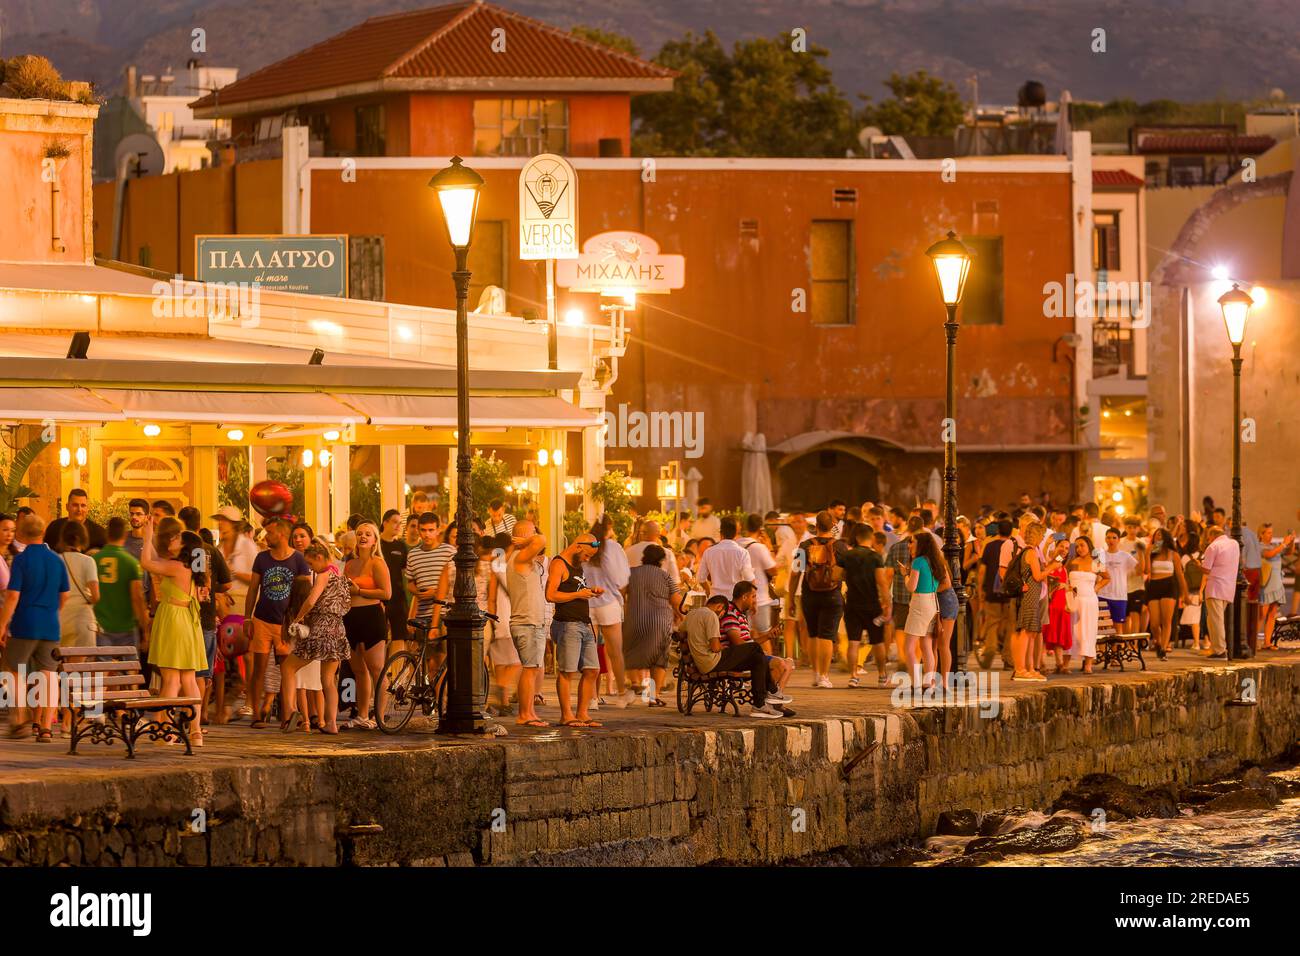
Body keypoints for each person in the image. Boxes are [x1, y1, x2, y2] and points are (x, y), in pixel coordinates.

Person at [139, 515, 207, 746]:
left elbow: (147, 564)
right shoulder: (191, 568)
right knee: (188, 678)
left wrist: (147, 538)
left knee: (170, 679)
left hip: (174, 620)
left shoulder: (176, 567)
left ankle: (165, 731)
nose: (172, 539)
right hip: (188, 621)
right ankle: (195, 732)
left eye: (177, 538)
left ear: (185, 546)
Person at [0, 514, 69, 741]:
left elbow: (12, 596)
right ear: (43, 533)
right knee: (49, 674)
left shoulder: (21, 560)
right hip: (50, 624)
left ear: (20, 533)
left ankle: (19, 721)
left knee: (12, 670)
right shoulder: (57, 560)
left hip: (24, 623)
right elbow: (65, 594)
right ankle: (46, 727)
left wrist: (2, 625)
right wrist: (54, 612)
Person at [243, 517, 311, 727]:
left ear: (281, 534)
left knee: (286, 670)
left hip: (285, 623)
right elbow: (253, 588)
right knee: (259, 669)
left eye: (270, 533)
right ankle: (256, 714)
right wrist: (247, 617)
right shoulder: (262, 558)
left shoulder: (298, 559)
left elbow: (304, 591)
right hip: (262, 618)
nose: (266, 537)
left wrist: (300, 619)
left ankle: (286, 715)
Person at [282, 541, 351, 734]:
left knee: (288, 667)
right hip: (338, 629)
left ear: (319, 558)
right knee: (328, 681)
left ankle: (290, 712)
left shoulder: (323, 575)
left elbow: (311, 600)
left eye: (311, 564)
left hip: (320, 630)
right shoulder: (340, 575)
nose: (311, 568)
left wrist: (298, 617)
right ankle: (332, 723)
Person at [687, 598, 783, 718]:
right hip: (712, 661)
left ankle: (759, 704)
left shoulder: (691, 614)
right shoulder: (711, 615)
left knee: (758, 659)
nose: (721, 617)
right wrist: (725, 649)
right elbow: (716, 648)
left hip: (703, 663)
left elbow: (680, 632)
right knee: (754, 647)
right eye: (723, 613)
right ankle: (772, 690)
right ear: (719, 607)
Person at [546, 532, 604, 728]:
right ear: (579, 546)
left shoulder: (578, 566)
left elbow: (575, 590)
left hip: (584, 623)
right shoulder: (559, 564)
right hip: (567, 624)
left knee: (592, 670)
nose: (587, 560)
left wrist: (591, 591)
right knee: (567, 671)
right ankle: (566, 715)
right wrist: (578, 594)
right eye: (587, 555)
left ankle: (582, 713)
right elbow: (550, 595)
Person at [341, 520, 391, 730]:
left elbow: (386, 593)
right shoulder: (350, 564)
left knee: (376, 669)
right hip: (351, 616)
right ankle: (362, 714)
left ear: (374, 540)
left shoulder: (377, 562)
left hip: (371, 615)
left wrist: (360, 591)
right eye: (359, 533)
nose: (363, 537)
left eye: (367, 534)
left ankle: (378, 716)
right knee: (358, 669)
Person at [584, 515, 635, 709]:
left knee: (590, 652)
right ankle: (622, 694)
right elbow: (622, 578)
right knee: (615, 653)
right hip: (609, 602)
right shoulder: (613, 547)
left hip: (588, 602)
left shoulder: (586, 544)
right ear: (610, 527)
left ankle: (591, 698)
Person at [718, 581, 794, 705]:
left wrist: (768, 636)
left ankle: (773, 701)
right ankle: (767, 701)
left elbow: (749, 644)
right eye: (753, 597)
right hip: (735, 658)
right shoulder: (731, 613)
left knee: (789, 663)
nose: (755, 601)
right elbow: (739, 644)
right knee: (779, 664)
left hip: (748, 654)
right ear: (744, 597)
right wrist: (758, 649)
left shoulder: (741, 614)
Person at [790, 511, 842, 689]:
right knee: (826, 636)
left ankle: (815, 673)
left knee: (813, 634)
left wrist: (790, 598)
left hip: (809, 594)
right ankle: (824, 677)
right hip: (833, 594)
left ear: (816, 527)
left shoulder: (804, 545)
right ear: (833, 526)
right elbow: (846, 572)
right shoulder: (840, 546)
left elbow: (795, 573)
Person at [622, 544, 679, 707]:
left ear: (644, 557)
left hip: (635, 619)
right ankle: (653, 696)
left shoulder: (630, 574)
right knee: (659, 659)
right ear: (661, 560)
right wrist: (682, 615)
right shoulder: (666, 577)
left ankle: (634, 685)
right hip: (659, 622)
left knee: (632, 652)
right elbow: (676, 602)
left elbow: (620, 594)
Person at [505, 520, 549, 727]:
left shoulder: (523, 558)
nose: (536, 535)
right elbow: (542, 539)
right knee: (529, 669)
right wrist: (527, 539)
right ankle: (524, 713)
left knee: (532, 668)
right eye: (532, 532)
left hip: (533, 621)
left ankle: (529, 711)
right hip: (527, 622)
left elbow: (540, 541)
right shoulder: (519, 557)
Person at [841, 524, 889, 687]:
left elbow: (835, 575)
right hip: (872, 605)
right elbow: (882, 583)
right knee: (878, 641)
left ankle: (853, 676)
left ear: (857, 537)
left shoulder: (847, 556)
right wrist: (887, 603)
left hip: (852, 604)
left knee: (853, 642)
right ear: (872, 538)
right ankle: (882, 675)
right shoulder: (875, 557)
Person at [94, 517, 150, 650]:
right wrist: (145, 629)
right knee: (130, 668)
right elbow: (137, 597)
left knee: (102, 668)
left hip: (101, 626)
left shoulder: (94, 560)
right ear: (125, 535)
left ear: (107, 534)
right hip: (127, 627)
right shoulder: (131, 563)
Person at [1010, 522, 1051, 682]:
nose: (1042, 538)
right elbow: (1037, 576)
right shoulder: (1030, 552)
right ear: (1035, 535)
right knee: (1026, 632)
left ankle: (1030, 668)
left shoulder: (1033, 551)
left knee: (1032, 633)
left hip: (1034, 596)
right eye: (1041, 535)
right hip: (1029, 597)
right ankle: (1020, 669)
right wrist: (1051, 568)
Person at [975, 518, 1015, 670]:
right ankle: (1008, 657)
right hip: (1009, 591)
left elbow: (982, 571)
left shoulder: (989, 546)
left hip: (992, 590)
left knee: (992, 621)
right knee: (1010, 624)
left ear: (998, 531)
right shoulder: (1013, 546)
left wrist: (981, 589)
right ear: (1011, 532)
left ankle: (991, 647)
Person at [55, 521, 99, 650]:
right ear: (83, 538)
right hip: (82, 620)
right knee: (78, 669)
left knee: (56, 667)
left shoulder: (55, 560)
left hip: (59, 620)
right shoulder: (88, 561)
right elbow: (96, 596)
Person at [1144, 527, 1187, 660]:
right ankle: (1158, 641)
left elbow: (1180, 575)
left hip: (1169, 585)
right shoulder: (1152, 553)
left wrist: (1185, 594)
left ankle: (1163, 648)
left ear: (1166, 538)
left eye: (1161, 536)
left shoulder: (1173, 554)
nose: (1158, 538)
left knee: (1166, 620)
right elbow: (1146, 571)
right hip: (1154, 586)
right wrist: (1147, 554)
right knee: (1154, 623)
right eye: (1156, 535)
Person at [1200, 526, 1239, 659]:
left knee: (1215, 619)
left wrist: (1197, 563)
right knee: (1215, 619)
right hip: (1228, 587)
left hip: (1215, 586)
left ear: (1212, 536)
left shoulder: (1213, 547)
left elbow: (1206, 569)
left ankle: (1220, 650)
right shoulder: (1234, 544)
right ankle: (1217, 647)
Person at [696, 515, 755, 602]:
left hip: (715, 600)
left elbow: (700, 578)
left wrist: (709, 591)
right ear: (736, 533)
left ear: (721, 533)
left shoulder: (709, 552)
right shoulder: (742, 553)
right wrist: (753, 601)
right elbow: (749, 579)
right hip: (735, 602)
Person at [737, 513, 779, 635]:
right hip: (759, 598)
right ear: (760, 529)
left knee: (746, 636)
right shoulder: (760, 548)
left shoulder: (737, 544)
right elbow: (773, 570)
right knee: (764, 636)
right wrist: (769, 547)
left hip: (740, 599)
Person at [1068, 536, 1104, 673]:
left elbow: (1107, 578)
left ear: (1089, 545)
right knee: (1071, 631)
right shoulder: (1072, 561)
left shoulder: (1097, 561)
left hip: (1089, 601)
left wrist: (1096, 588)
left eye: (1082, 545)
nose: (1079, 549)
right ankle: (1065, 663)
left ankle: (1088, 664)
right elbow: (1058, 569)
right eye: (1076, 546)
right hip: (1074, 600)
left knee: (1088, 631)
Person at [1258, 523, 1292, 648]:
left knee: (1272, 614)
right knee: (1261, 615)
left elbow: (1288, 552)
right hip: (1266, 585)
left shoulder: (1274, 546)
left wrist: (1291, 541)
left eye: (1272, 532)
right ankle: (1252, 641)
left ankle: (1267, 642)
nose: (1270, 535)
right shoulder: (1260, 546)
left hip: (1276, 584)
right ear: (1261, 534)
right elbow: (1269, 554)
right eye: (1268, 533)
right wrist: (1283, 544)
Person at [379, 509, 410, 647]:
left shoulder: (401, 546)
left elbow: (405, 572)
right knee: (380, 636)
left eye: (400, 523)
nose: (398, 526)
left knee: (399, 635)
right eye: (394, 522)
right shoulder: (376, 545)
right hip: (379, 597)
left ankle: (396, 668)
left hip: (397, 597)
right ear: (385, 522)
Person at [1098, 528, 1138, 635]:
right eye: (1108, 537)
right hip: (1103, 594)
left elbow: (1139, 570)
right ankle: (1104, 651)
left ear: (1118, 540)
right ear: (1105, 539)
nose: (1111, 540)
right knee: (1103, 627)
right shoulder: (1100, 555)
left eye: (1114, 538)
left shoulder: (1125, 556)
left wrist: (1142, 553)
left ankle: (1117, 651)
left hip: (1119, 596)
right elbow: (1095, 573)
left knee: (1118, 627)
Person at [1042, 536, 1073, 673]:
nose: (1064, 550)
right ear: (1056, 546)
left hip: (1061, 604)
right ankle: (1040, 663)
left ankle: (1059, 664)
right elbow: (1043, 569)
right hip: (1050, 603)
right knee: (1045, 634)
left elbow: (1064, 583)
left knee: (1059, 634)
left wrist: (1066, 587)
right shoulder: (1049, 561)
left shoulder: (1061, 565)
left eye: (1067, 548)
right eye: (1062, 546)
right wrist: (1047, 545)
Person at [43, 488, 107, 553]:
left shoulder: (99, 533)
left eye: (83, 505)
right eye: (75, 505)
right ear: (67, 507)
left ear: (87, 508)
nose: (79, 509)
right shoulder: (54, 527)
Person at [1180, 532, 1207, 651]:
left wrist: (1183, 593)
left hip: (1192, 591)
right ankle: (1207, 641)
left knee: (1195, 617)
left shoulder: (1184, 558)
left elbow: (1184, 577)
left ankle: (1196, 642)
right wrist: (1202, 590)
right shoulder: (1204, 555)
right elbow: (1206, 575)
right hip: (1205, 589)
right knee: (1206, 617)